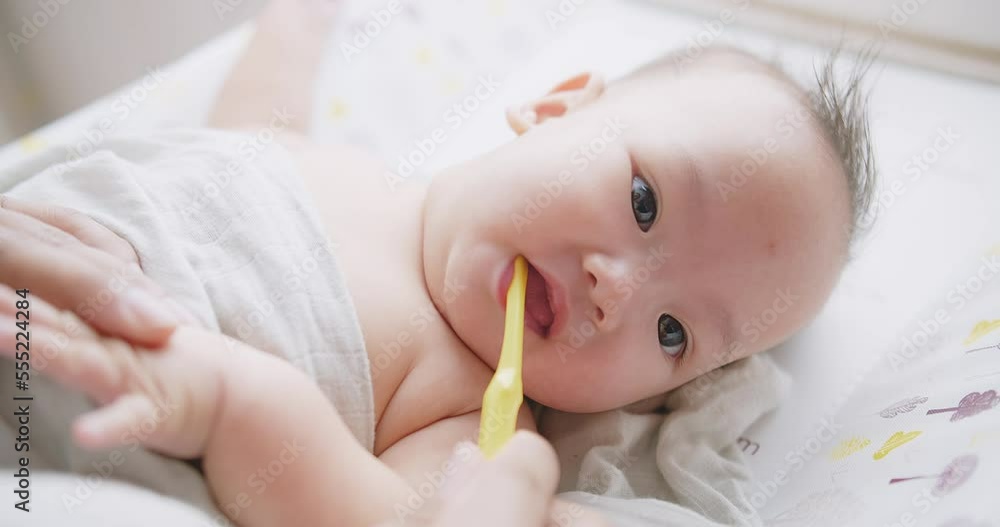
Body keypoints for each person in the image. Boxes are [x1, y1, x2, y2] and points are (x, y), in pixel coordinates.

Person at [0, 0, 875, 524]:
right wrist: (297, 21)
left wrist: (237, 405)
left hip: (81, 463)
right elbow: (249, 124)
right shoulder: (343, 167)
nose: (621, 293)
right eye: (644, 202)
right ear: (555, 106)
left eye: (674, 331)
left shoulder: (467, 415)